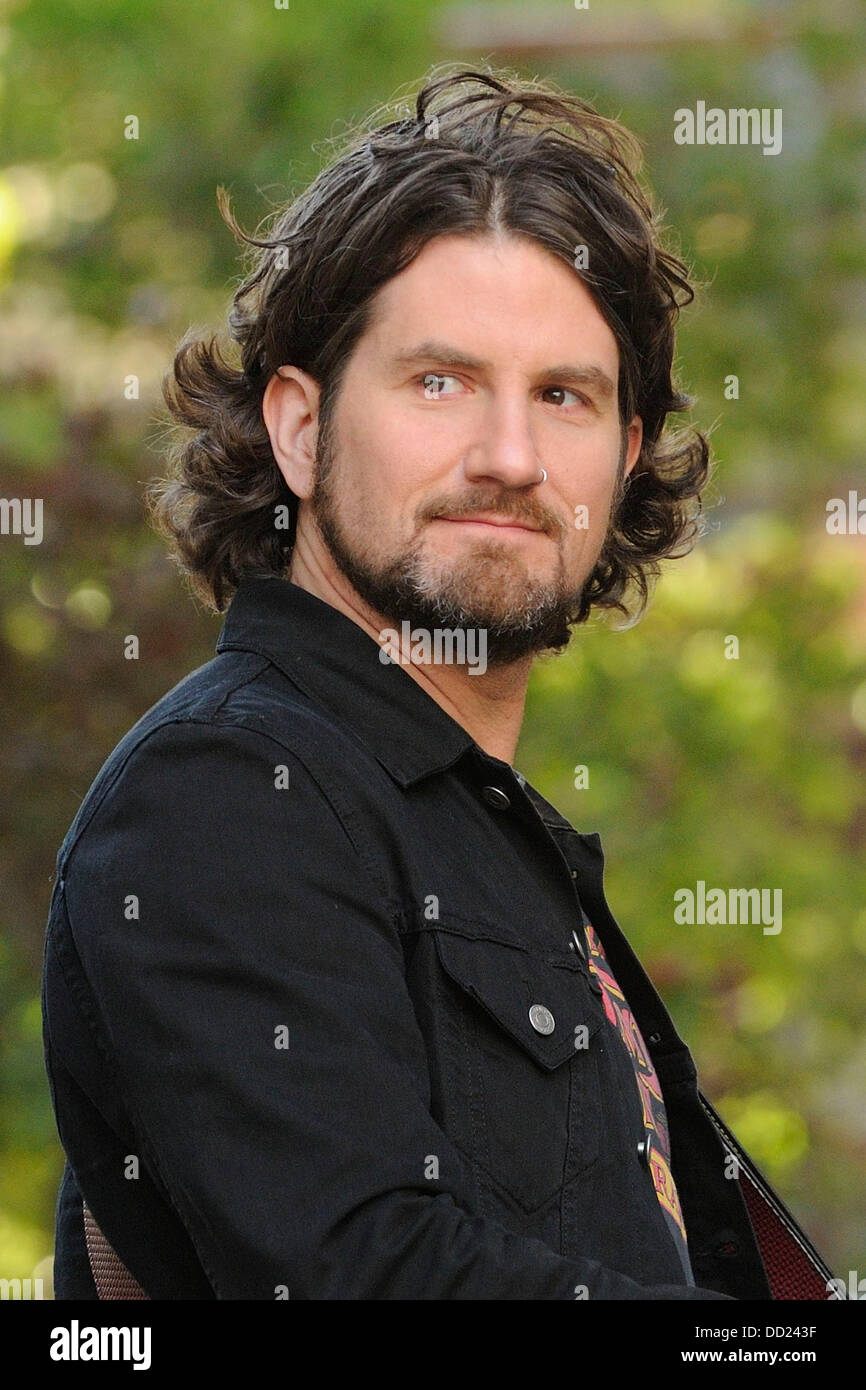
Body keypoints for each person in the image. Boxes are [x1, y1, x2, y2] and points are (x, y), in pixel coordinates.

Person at [42, 65, 833, 1300]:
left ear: (621, 463)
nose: (509, 457)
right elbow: (366, 1276)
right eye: (438, 382)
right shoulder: (231, 788)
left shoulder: (478, 825)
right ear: (299, 430)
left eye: (562, 397)